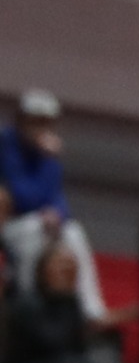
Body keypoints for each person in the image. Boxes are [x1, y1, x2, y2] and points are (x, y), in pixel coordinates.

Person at [0, 92, 109, 323]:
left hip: (40, 220)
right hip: (12, 222)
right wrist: (46, 210)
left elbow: (57, 199)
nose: (40, 127)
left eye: (45, 122)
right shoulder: (6, 145)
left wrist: (58, 214)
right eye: (35, 120)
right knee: (34, 231)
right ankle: (30, 311)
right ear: (21, 120)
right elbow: (20, 196)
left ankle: (92, 311)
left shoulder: (48, 154)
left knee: (73, 233)